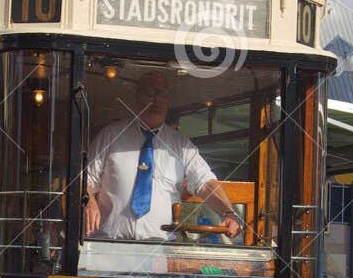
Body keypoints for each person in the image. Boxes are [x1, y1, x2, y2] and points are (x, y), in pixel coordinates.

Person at [84, 68, 242, 242]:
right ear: (137, 97)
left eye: (161, 94)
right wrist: (88, 201)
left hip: (159, 248)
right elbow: (84, 180)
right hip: (110, 245)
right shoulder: (111, 135)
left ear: (168, 100)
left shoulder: (181, 145)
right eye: (150, 93)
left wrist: (228, 212)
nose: (156, 100)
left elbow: (205, 183)